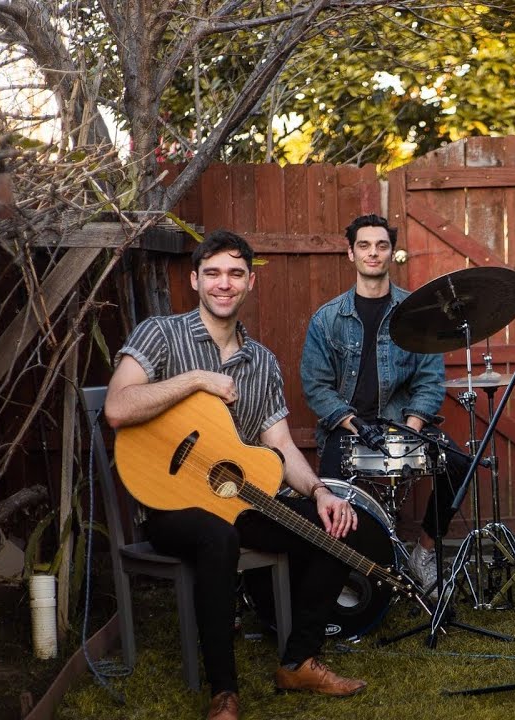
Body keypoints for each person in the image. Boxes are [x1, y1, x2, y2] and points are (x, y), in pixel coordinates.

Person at [104, 231, 368, 720]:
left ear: (250, 282)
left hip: (236, 499)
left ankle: (298, 661)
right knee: (217, 537)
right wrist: (197, 380)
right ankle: (224, 692)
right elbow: (118, 408)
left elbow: (282, 443)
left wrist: (320, 491)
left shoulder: (262, 362)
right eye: (213, 273)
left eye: (234, 274)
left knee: (338, 529)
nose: (223, 284)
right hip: (170, 502)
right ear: (195, 281)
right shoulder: (161, 334)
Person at [300, 213, 468, 597]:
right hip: (345, 429)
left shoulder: (416, 312)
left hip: (400, 424)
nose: (373, 253)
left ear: (392, 252)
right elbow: (317, 387)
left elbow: (429, 380)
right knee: (328, 495)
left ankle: (423, 552)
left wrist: (410, 430)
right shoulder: (327, 320)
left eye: (381, 245)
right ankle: (340, 573)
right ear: (350, 254)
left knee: (458, 464)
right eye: (364, 245)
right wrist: (355, 425)